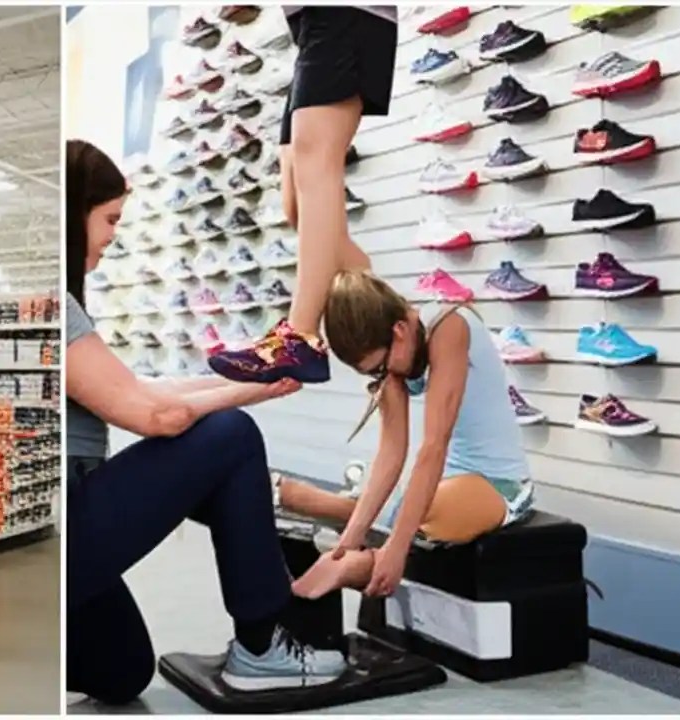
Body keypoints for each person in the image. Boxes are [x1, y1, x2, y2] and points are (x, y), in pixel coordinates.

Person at [65, 139, 345, 701]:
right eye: (109, 219)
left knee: (121, 671)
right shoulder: (58, 306)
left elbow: (141, 389)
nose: (114, 234)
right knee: (230, 437)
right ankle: (260, 646)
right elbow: (157, 413)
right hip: (61, 529)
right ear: (75, 213)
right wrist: (243, 401)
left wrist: (252, 381)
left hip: (64, 525)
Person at [276, 270, 535, 599]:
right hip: (447, 479)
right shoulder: (395, 353)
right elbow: (392, 453)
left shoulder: (449, 325)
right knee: (399, 506)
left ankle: (352, 564)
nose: (382, 376)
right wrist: (348, 541)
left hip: (497, 483)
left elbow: (433, 446)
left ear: (399, 331)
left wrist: (396, 548)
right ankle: (344, 550)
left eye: (380, 368)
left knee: (414, 514)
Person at [209, 6, 398, 385]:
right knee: (297, 204)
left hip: (344, 14)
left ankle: (300, 337)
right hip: (310, 26)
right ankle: (396, 324)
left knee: (316, 164)